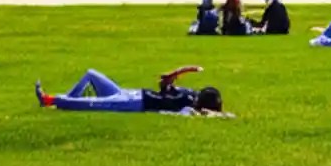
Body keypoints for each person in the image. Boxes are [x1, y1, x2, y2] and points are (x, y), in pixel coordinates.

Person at [35, 66, 229, 116]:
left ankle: (51, 100)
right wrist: (175, 74)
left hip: (136, 103)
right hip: (133, 93)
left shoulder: (190, 109)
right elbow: (164, 88)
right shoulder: (190, 95)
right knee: (91, 74)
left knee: (92, 104)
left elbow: (223, 116)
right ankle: (66, 100)